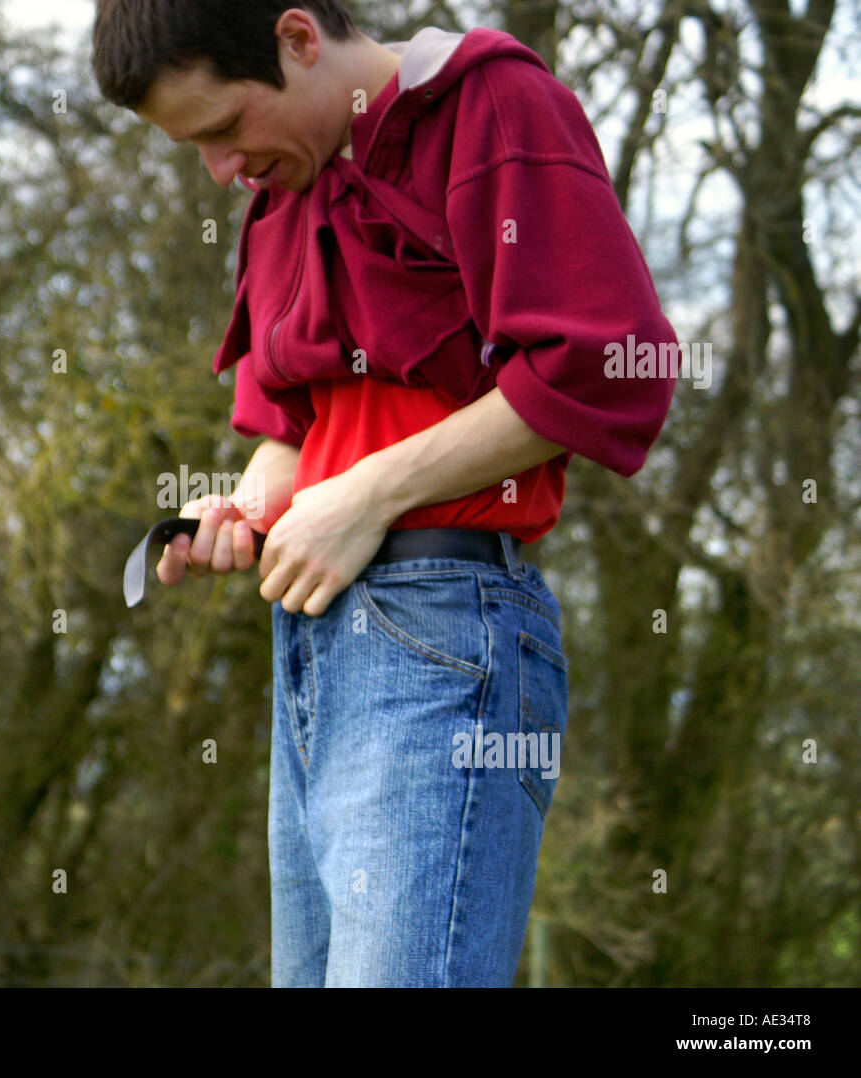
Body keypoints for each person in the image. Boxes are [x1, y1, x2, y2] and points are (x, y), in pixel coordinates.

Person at [92, 1, 677, 987]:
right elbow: (299, 422)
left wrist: (362, 496)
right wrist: (243, 508)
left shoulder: (492, 106)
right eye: (194, 147)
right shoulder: (288, 185)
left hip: (448, 635)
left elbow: (607, 369)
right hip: (314, 648)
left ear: (298, 39)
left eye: (227, 128)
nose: (222, 169)